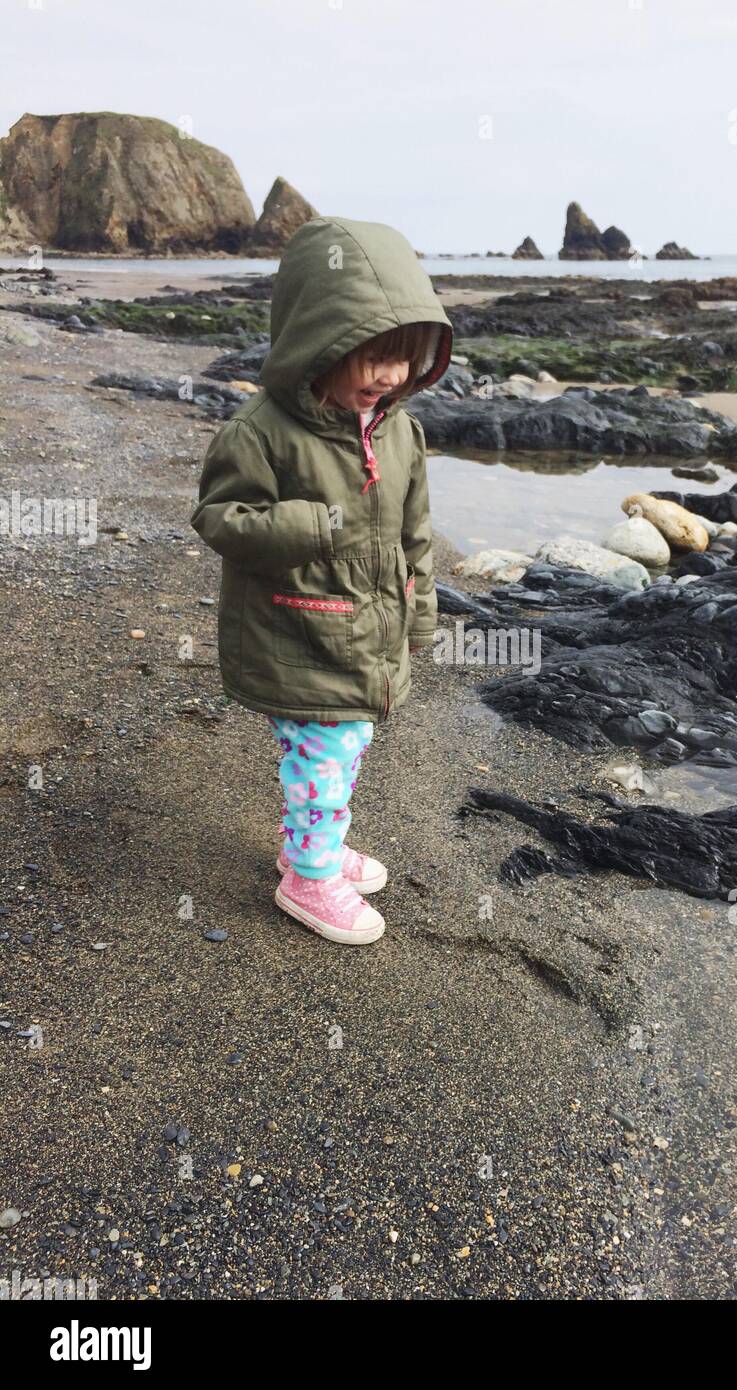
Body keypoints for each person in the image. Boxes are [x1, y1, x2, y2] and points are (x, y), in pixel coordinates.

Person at [192, 216, 452, 944]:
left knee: (343, 747)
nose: (389, 375)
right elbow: (219, 517)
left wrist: (421, 613)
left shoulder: (400, 430)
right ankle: (308, 876)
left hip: (370, 632)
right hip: (298, 629)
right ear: (317, 343)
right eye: (371, 355)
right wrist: (311, 526)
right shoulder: (261, 431)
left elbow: (414, 533)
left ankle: (317, 847)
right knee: (327, 752)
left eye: (406, 358)